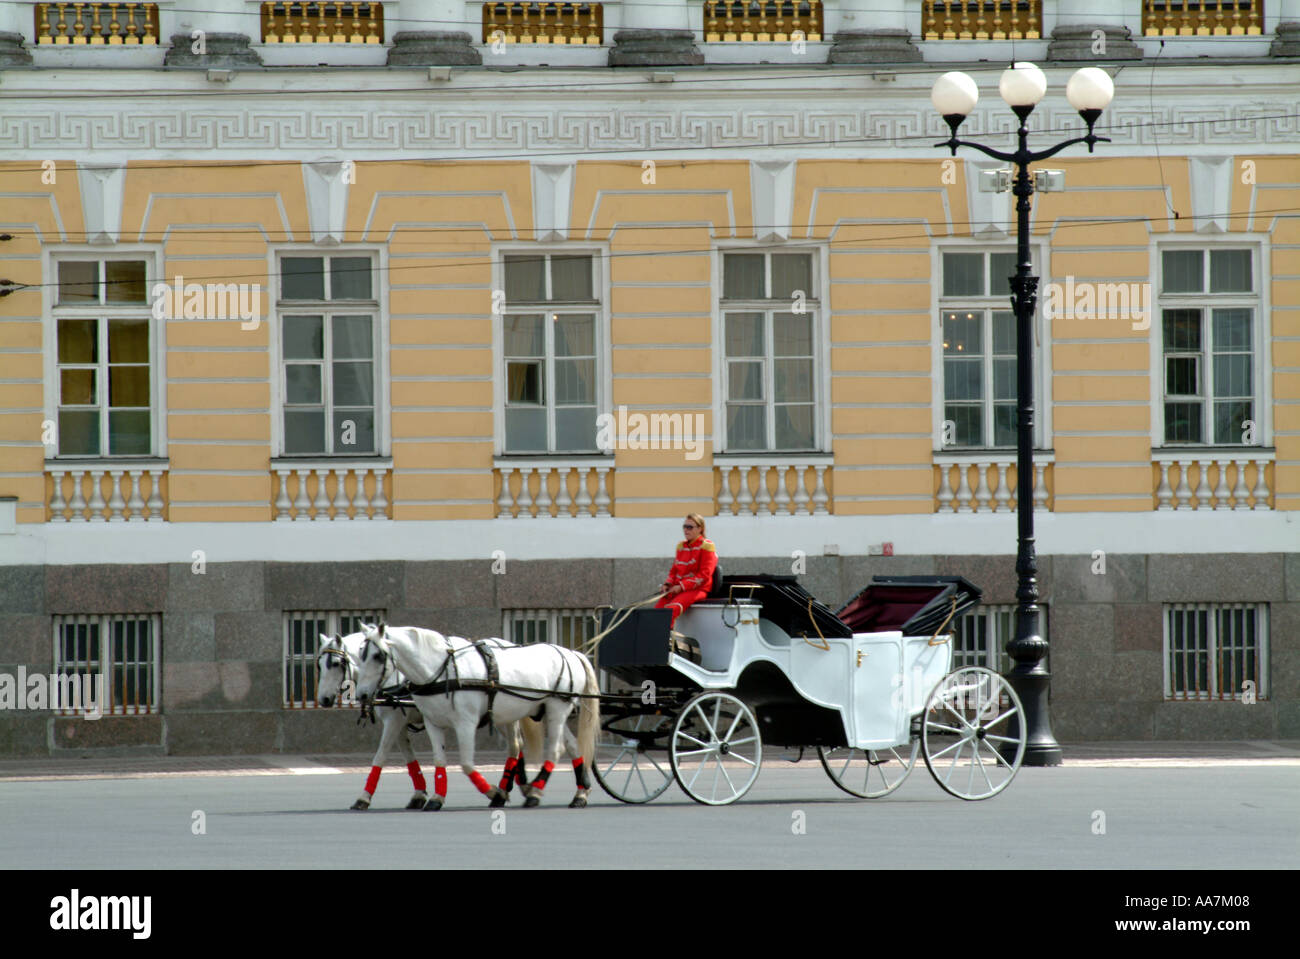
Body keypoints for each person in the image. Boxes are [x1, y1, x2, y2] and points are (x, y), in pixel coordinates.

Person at [655, 513, 717, 627]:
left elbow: (705, 575)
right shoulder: (681, 546)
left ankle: (667, 642)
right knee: (656, 611)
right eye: (684, 527)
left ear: (700, 529)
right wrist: (667, 584)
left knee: (670, 610)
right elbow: (674, 570)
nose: (686, 530)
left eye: (690, 527)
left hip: (698, 589)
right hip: (678, 588)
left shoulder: (706, 546)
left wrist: (682, 586)